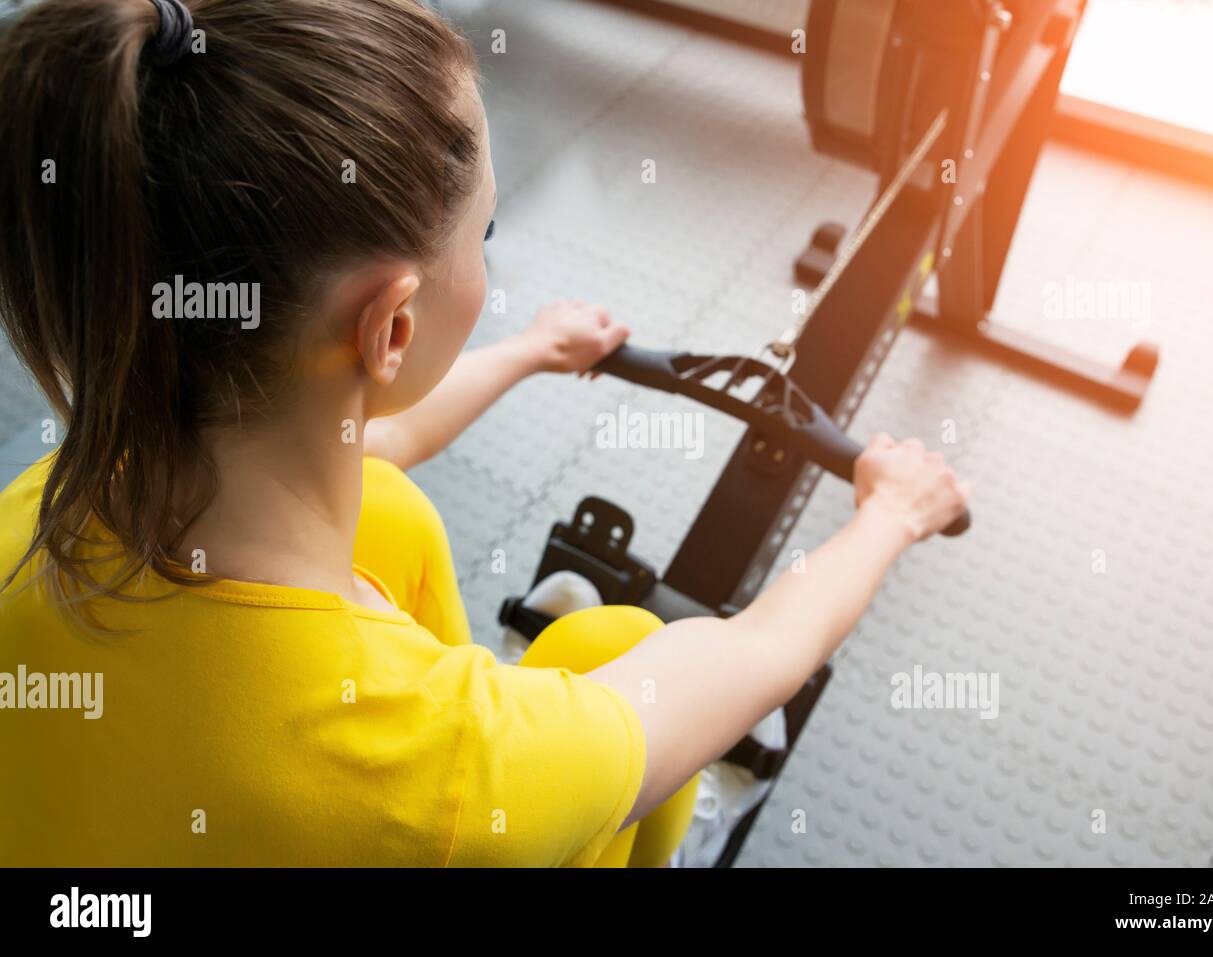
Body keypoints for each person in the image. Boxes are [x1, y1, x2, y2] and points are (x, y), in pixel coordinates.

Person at [0, 0, 969, 867]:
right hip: (442, 804)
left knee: (386, 509)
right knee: (613, 640)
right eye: (486, 235)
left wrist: (533, 351)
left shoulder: (44, 505)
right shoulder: (459, 777)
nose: (491, 259)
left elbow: (368, 442)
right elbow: (753, 656)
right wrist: (891, 513)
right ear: (392, 328)